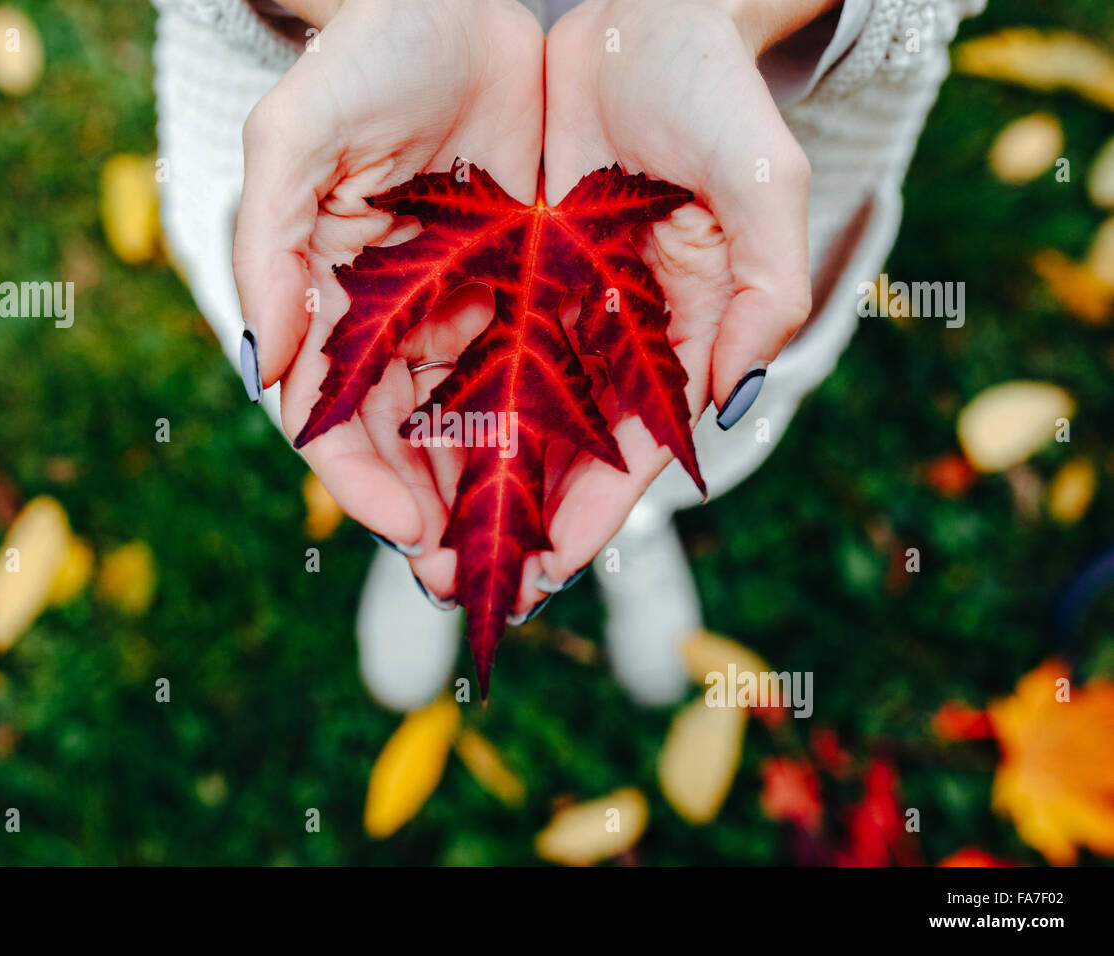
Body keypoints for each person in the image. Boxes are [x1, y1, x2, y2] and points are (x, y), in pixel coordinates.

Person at [152, 0, 985, 708]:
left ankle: (631, 522)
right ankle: (415, 538)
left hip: (721, 95)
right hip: (366, 93)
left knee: (685, 383)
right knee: (375, 382)